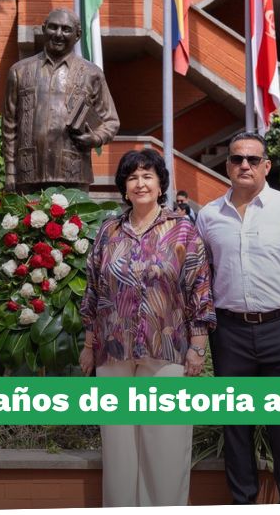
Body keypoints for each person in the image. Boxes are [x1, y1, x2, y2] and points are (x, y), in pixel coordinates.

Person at [78, 148, 214, 506]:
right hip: (113, 349)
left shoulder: (182, 230)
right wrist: (89, 343)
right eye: (132, 177)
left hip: (166, 349)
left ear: (160, 184)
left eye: (147, 176)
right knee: (119, 450)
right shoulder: (108, 230)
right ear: (124, 187)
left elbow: (199, 289)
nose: (140, 183)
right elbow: (94, 289)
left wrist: (197, 348)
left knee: (164, 445)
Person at [195, 132, 280, 504]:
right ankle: (243, 504)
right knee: (236, 427)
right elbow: (206, 271)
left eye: (252, 159)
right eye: (236, 159)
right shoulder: (209, 215)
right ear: (227, 166)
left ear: (266, 165)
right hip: (230, 331)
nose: (243, 165)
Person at [3, 7, 120, 193]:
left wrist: (94, 138)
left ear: (78, 35)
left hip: (73, 172)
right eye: (53, 27)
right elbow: (9, 125)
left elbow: (111, 122)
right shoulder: (19, 71)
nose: (58, 34)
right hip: (29, 173)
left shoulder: (92, 74)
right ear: (44, 29)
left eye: (66, 29)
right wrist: (10, 170)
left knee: (75, 223)